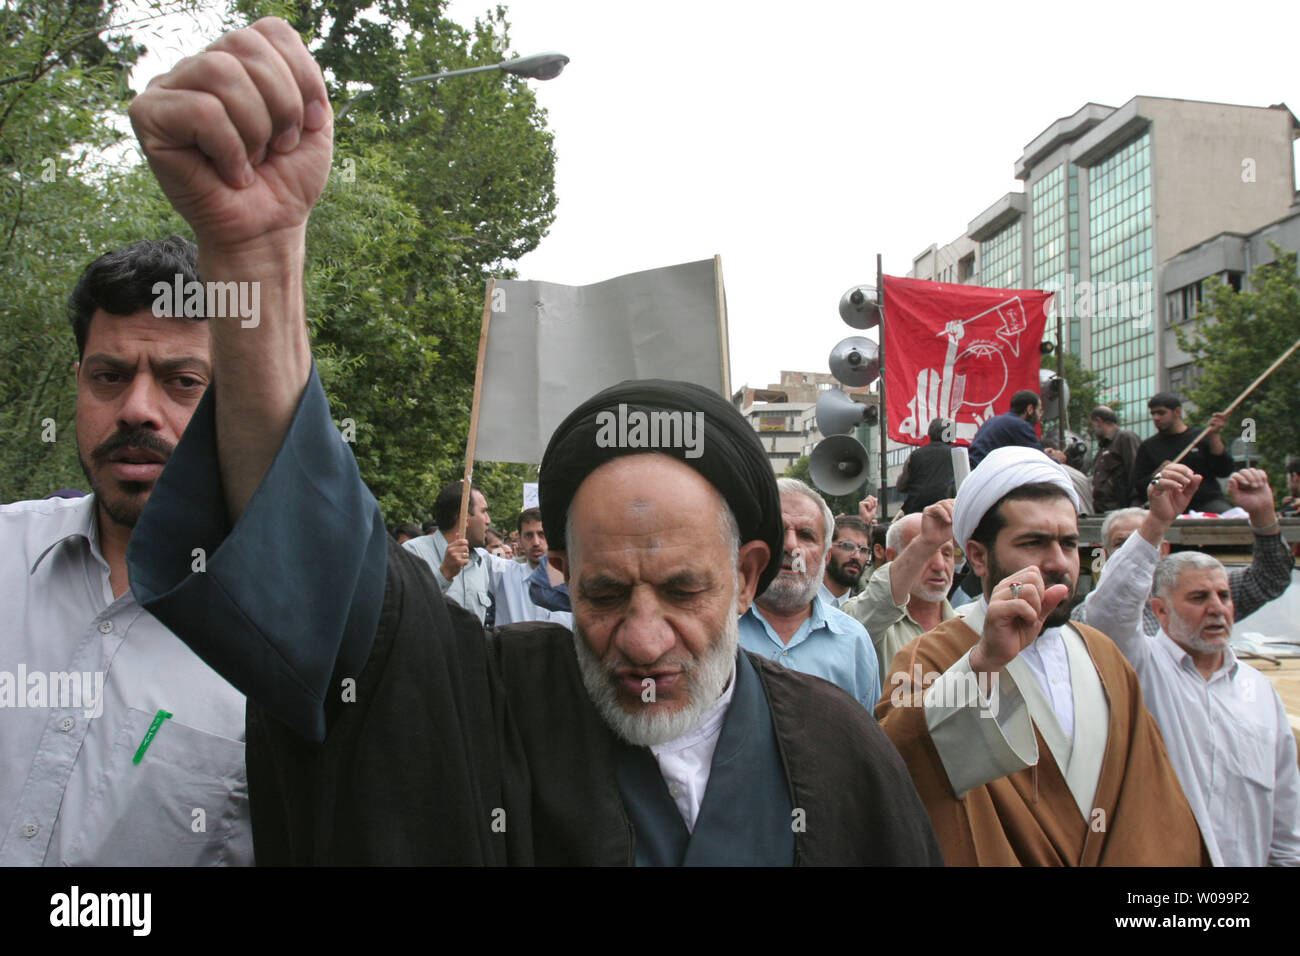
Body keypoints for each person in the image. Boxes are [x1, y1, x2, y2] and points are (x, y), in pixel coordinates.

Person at [124, 19, 942, 866]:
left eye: (682, 589)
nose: (642, 638)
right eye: (605, 592)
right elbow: (319, 584)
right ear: (561, 569)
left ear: (745, 575)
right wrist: (254, 257)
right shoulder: (493, 699)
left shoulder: (842, 755)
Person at [0, 237, 250, 865]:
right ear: (78, 385)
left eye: (182, 382)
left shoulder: (284, 639)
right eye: (109, 376)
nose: (138, 410)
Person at [875, 445, 1205, 865]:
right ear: (977, 556)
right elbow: (901, 771)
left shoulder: (1103, 654)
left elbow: (1153, 800)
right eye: (1033, 543)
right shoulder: (930, 655)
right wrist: (982, 665)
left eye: (1068, 544)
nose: (1058, 562)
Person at [1070, 465, 1300, 865]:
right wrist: (1157, 521)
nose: (1216, 609)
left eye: (1224, 597)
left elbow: (1284, 812)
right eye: (1198, 599)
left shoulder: (1259, 692)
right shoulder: (1139, 659)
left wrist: (1264, 515)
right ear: (1159, 611)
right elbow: (1108, 610)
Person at [1074, 468, 1293, 635]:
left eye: (1150, 541)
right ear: (1105, 552)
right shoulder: (1088, 615)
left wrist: (1263, 512)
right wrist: (1158, 521)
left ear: (1165, 550)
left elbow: (1269, 578)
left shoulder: (1202, 596)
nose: (1136, 552)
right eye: (1122, 543)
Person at [738, 480, 880, 709]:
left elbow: (865, 737)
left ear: (826, 557)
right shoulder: (715, 628)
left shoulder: (854, 642)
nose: (791, 546)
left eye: (806, 535)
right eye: (777, 531)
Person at [842, 501, 957, 680]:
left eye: (947, 553)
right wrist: (924, 542)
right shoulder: (860, 616)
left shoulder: (969, 626)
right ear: (892, 557)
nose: (940, 565)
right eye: (926, 553)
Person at [403, 479, 501, 624]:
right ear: (463, 517)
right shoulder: (413, 552)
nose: (488, 520)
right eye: (484, 511)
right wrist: (444, 574)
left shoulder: (481, 562)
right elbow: (407, 610)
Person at [1130, 392, 1232, 512]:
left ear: (1177, 412)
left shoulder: (1203, 436)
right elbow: (1140, 486)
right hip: (1168, 506)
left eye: (1161, 412)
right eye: (1153, 413)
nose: (1156, 418)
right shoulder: (1148, 446)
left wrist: (1214, 435)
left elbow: (1224, 471)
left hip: (1206, 501)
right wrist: (1158, 474)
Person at [487, 509, 572, 628]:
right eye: (528, 535)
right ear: (519, 540)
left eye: (542, 534)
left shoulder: (571, 581)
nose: (536, 542)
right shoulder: (503, 574)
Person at [968, 390, 1065, 468]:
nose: (1040, 416)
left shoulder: (993, 421)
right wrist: (1057, 460)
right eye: (1039, 410)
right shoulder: (1021, 425)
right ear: (1030, 409)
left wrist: (1043, 453)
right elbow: (1039, 463)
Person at [897, 417, 955, 514]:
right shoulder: (957, 455)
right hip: (946, 511)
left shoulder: (914, 455)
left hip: (915, 511)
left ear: (930, 433)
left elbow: (901, 486)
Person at [1088, 405, 1140, 513]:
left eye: (1091, 425)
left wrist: (1134, 507)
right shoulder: (1103, 448)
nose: (1092, 429)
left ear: (1098, 421)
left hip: (1121, 511)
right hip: (1104, 511)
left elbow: (1135, 471)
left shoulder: (1125, 438)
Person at [820, 515, 871, 608]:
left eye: (863, 550)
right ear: (826, 548)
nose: (857, 556)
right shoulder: (800, 601)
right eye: (847, 546)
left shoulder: (864, 609)